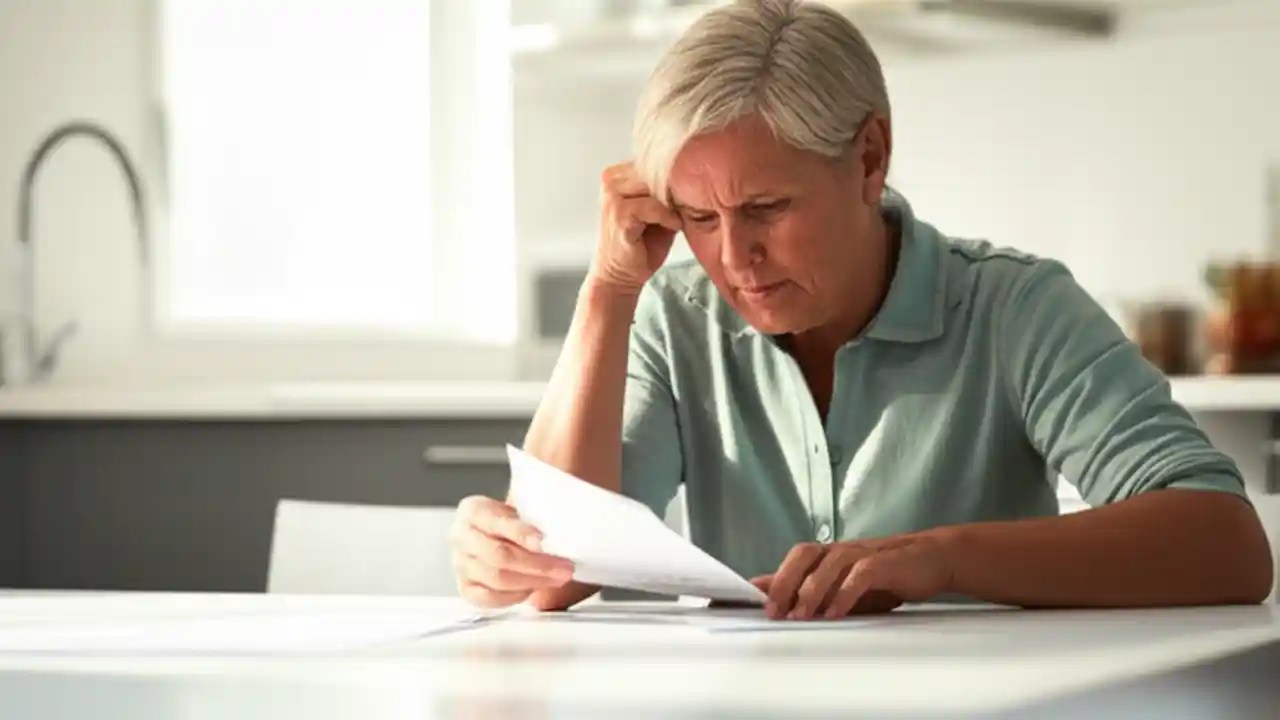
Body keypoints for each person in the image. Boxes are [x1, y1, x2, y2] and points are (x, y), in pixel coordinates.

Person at [451, 0, 1273, 620]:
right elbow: (560, 572)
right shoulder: (674, 315)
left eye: (766, 207)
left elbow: (1228, 547)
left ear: (870, 157)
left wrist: (939, 559)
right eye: (699, 218)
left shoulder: (1015, 308)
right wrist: (607, 290)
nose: (735, 258)